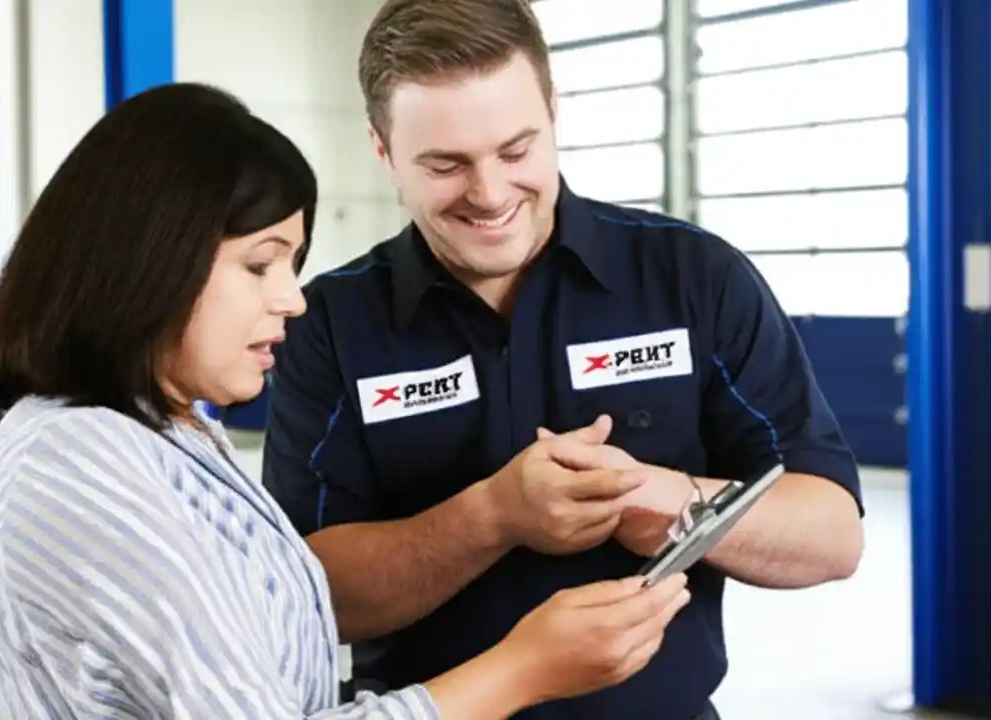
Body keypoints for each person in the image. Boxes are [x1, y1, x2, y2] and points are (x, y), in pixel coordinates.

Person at [0, 82, 692, 720]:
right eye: (260, 265)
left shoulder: (165, 438)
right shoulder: (75, 467)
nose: (292, 299)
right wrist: (523, 668)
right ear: (147, 263)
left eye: (293, 264)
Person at [261, 1, 867, 718]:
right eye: (446, 164)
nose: (490, 194)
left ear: (553, 114)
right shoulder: (327, 326)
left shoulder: (692, 278)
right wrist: (493, 517)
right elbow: (306, 596)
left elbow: (833, 534)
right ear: (383, 149)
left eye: (516, 150)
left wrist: (671, 503)